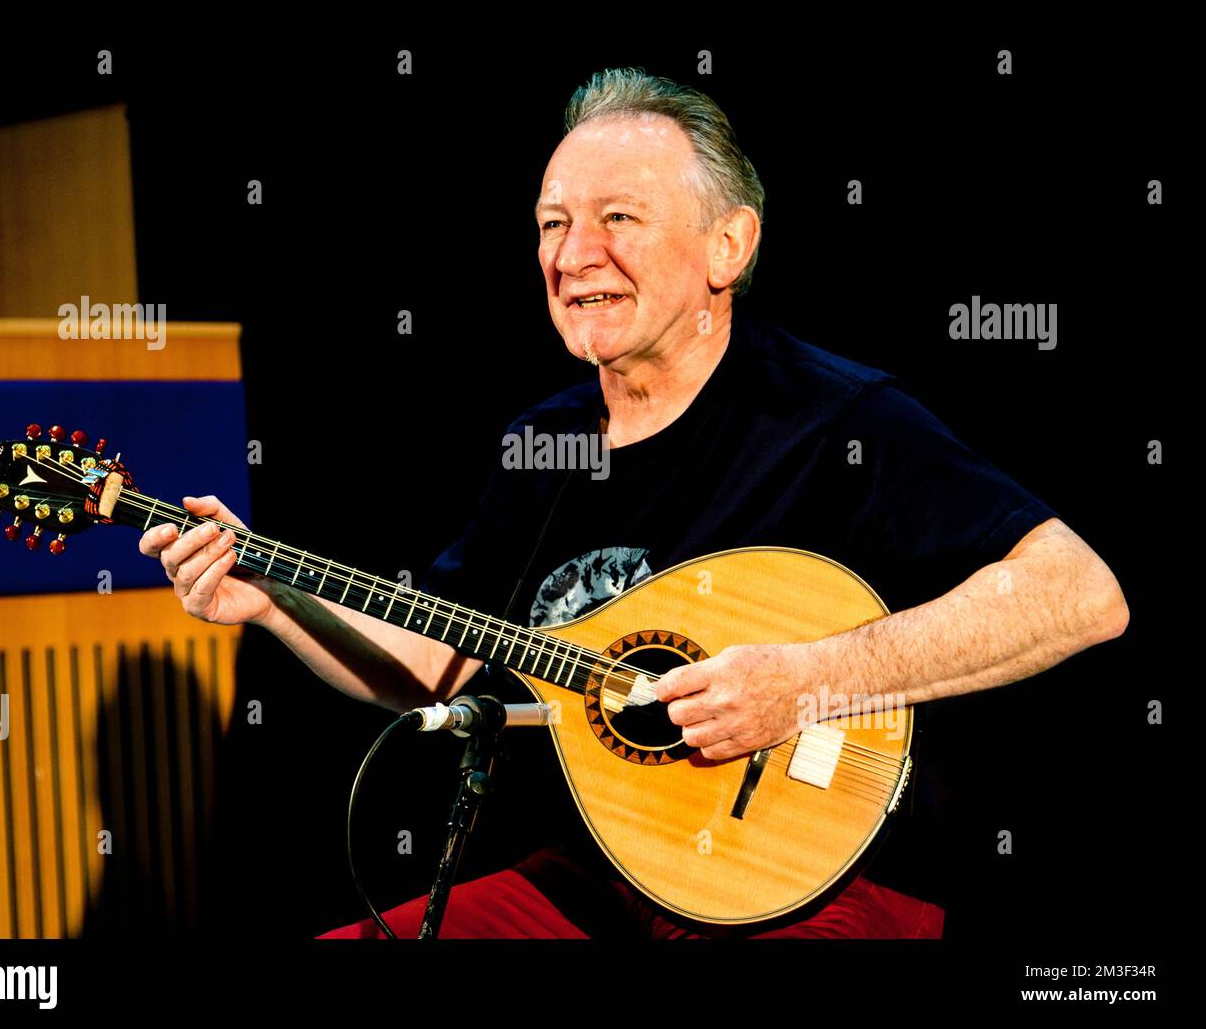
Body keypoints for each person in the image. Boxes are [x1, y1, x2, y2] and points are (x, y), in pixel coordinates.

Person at [138, 68, 1129, 939]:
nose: (573, 255)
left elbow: (1079, 595)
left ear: (726, 246)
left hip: (824, 888)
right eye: (552, 224)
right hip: (601, 881)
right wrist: (267, 590)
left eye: (618, 217)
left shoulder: (838, 418)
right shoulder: (543, 446)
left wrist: (809, 677)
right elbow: (442, 665)